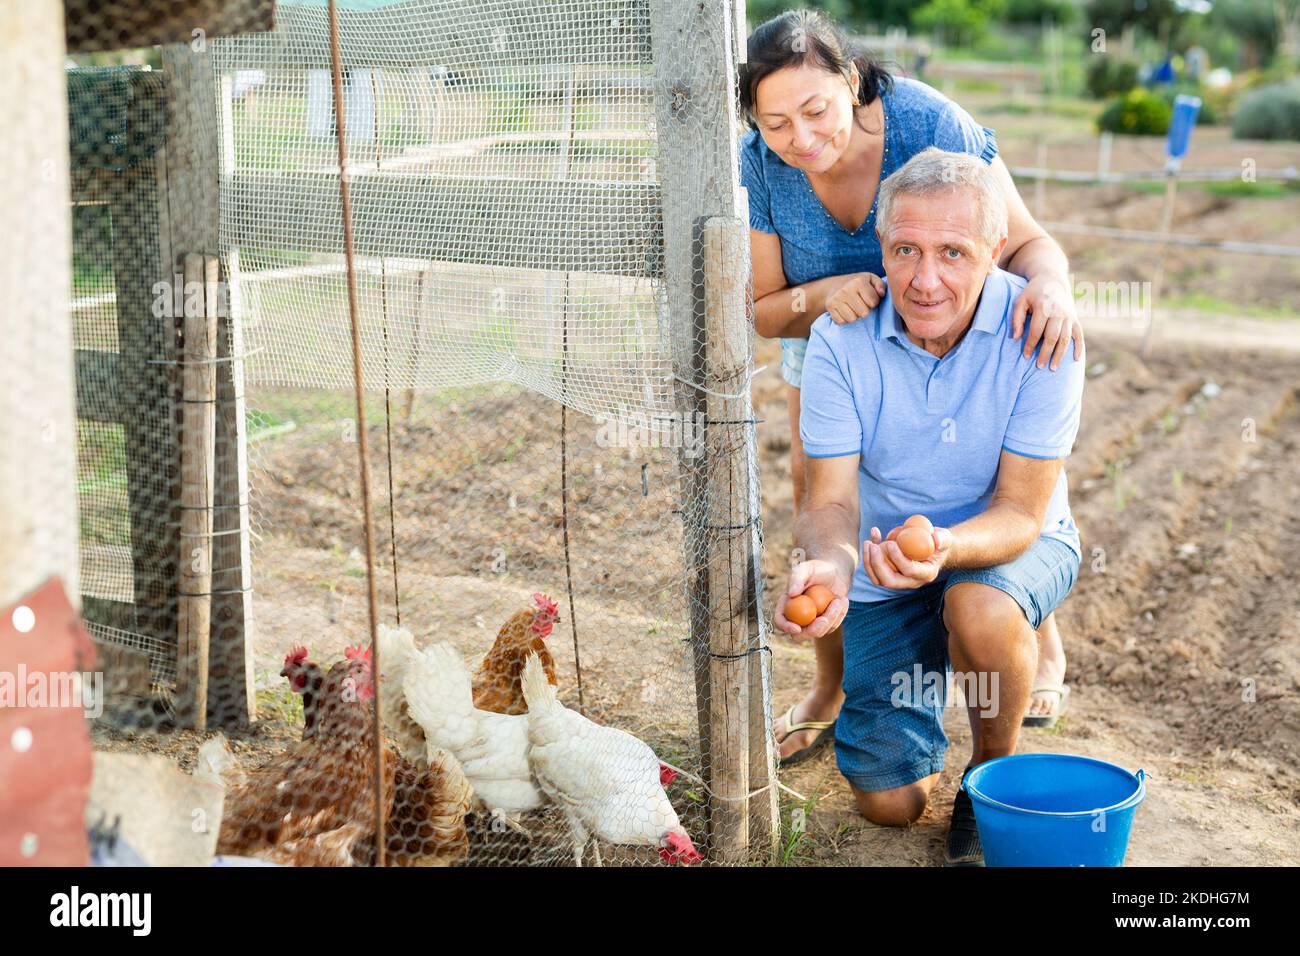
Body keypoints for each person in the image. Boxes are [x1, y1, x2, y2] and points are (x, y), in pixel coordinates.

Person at [738, 10, 1080, 763]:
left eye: (816, 110)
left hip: (956, 325)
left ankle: (1025, 623)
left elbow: (1021, 242)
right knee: (819, 498)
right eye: (776, 122)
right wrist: (833, 297)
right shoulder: (758, 166)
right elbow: (765, 307)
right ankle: (832, 683)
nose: (800, 138)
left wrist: (1051, 288)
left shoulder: (930, 122)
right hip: (834, 336)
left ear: (851, 84)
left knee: (989, 480)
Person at [774, 147, 1085, 866]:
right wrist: (828, 560)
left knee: (978, 607)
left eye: (953, 252)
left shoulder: (1043, 333)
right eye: (906, 249)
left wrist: (943, 549)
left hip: (1010, 543)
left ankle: (988, 774)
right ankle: (930, 678)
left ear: (995, 250)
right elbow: (830, 499)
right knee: (890, 806)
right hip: (886, 556)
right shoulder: (841, 337)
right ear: (881, 245)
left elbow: (1019, 514)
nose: (925, 278)